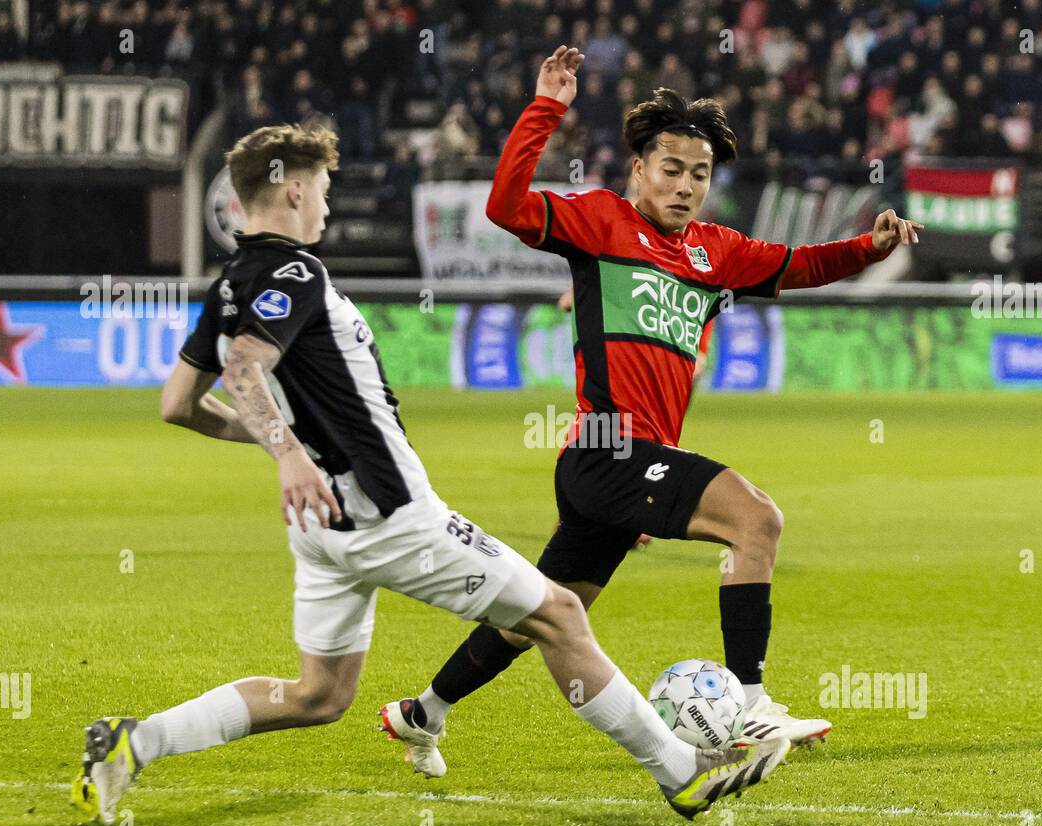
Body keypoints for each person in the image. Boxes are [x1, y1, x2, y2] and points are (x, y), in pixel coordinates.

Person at [71, 123, 795, 826]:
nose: (327, 201)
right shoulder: (294, 271)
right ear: (290, 189)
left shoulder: (230, 283)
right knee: (559, 614)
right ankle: (682, 773)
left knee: (318, 696)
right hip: (390, 514)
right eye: (322, 186)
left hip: (323, 528)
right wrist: (290, 453)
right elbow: (241, 370)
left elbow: (178, 404)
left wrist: (295, 452)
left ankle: (135, 742)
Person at [382, 46, 922, 778]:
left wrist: (870, 246)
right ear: (638, 168)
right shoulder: (598, 222)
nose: (686, 186)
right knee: (756, 518)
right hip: (608, 450)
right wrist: (546, 105)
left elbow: (799, 265)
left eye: (700, 174)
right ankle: (752, 701)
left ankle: (422, 713)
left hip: (617, 468)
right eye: (671, 168)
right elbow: (504, 206)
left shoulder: (714, 252)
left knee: (542, 615)